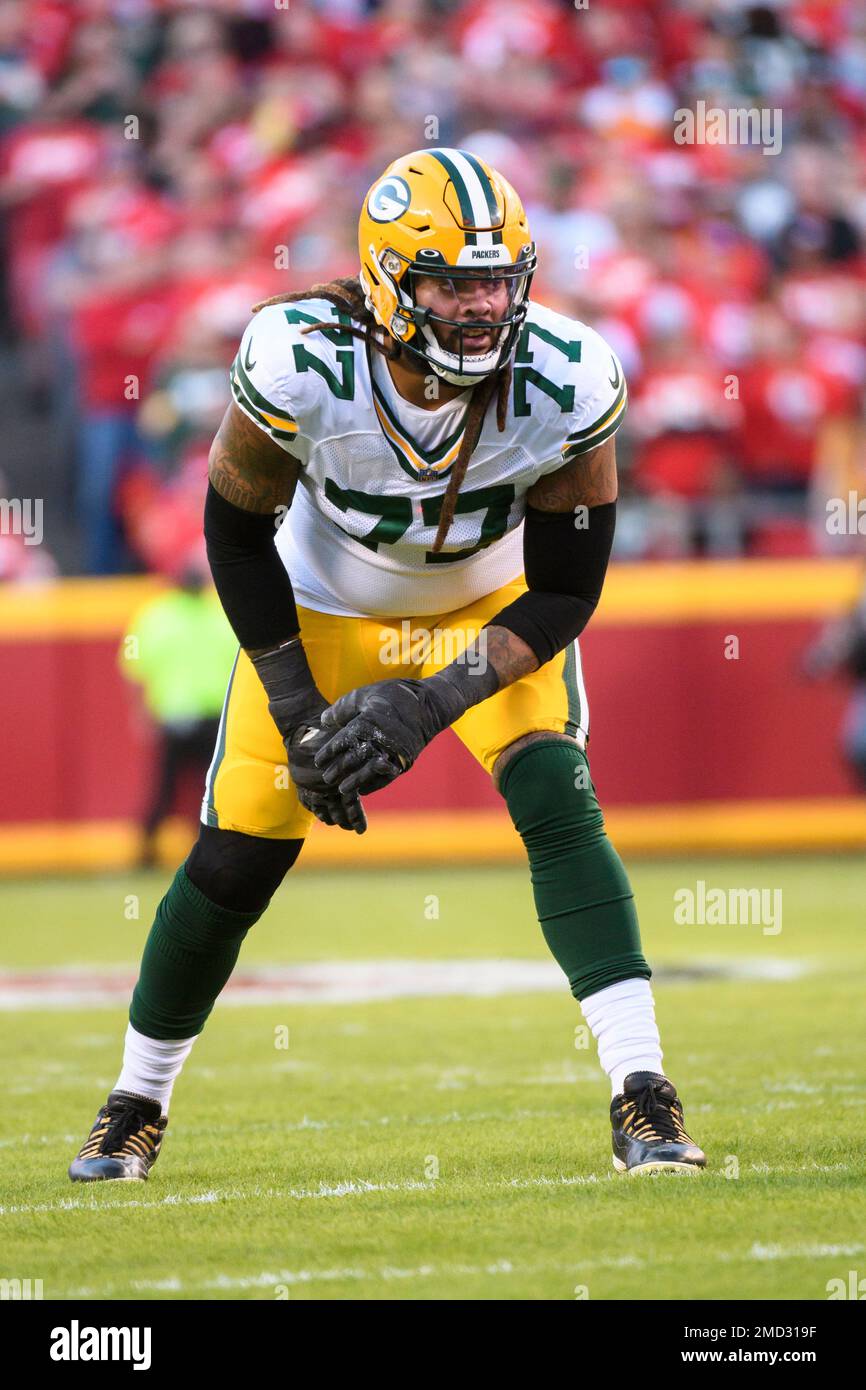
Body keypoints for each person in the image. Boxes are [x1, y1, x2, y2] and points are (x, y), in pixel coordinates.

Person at [69, 148, 706, 1183]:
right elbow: (234, 534)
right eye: (453, 281)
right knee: (237, 852)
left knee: (553, 786)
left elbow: (565, 589)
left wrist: (432, 701)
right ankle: (134, 1101)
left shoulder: (566, 377)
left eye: (496, 280)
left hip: (493, 602)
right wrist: (296, 704)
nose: (481, 305)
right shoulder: (299, 360)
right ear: (387, 279)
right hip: (324, 603)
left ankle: (641, 1090)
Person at [120, 566, 239, 866]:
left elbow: (135, 668)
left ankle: (150, 853)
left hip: (178, 716)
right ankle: (209, 851)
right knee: (209, 789)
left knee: (168, 789)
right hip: (210, 717)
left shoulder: (158, 616)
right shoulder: (219, 613)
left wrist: (141, 710)